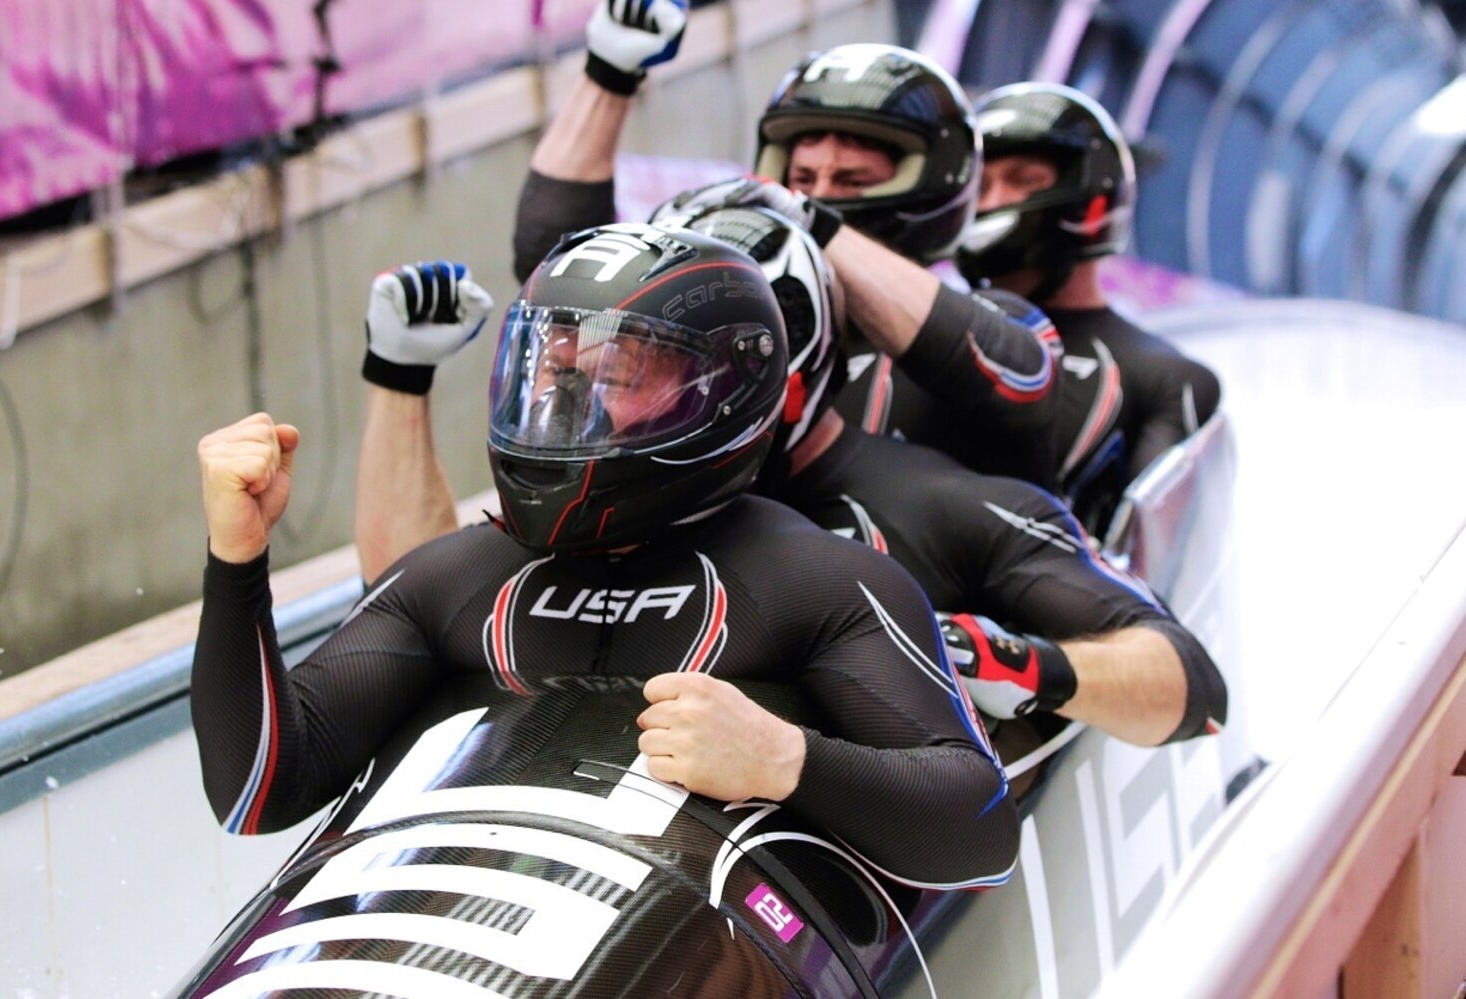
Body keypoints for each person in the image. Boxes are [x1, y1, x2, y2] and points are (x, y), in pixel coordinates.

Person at [192, 223, 1020, 892]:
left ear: (719, 391)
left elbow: (979, 827)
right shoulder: (456, 576)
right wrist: (238, 562)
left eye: (616, 370)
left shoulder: (819, 583)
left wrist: (784, 760)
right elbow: (259, 788)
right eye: (551, 368)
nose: (564, 401)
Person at [353, 207, 1227, 748]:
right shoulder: (601, 507)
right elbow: (411, 607)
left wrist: (1015, 662)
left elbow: (1190, 685)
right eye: (617, 365)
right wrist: (398, 384)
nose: (601, 397)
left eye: (641, 369)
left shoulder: (945, 506)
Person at [510, 18, 1063, 489]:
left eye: (850, 180)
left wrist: (811, 223)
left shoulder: (1003, 322)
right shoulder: (737, 326)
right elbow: (555, 273)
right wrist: (608, 75)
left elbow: (1022, 383)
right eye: (801, 177)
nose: (816, 193)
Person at [957, 82, 1223, 533]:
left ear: (1089, 204)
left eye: (1023, 181)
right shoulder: (928, 338)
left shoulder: (1166, 379)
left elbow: (1154, 550)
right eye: (981, 187)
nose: (994, 203)